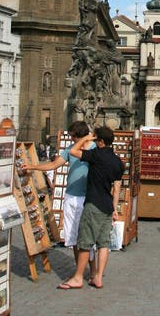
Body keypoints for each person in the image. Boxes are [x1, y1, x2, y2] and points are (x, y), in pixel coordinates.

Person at [22, 120, 97, 278]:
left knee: (87, 236)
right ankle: (79, 271)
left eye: (73, 137)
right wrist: (33, 167)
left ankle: (93, 271)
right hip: (71, 196)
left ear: (80, 136)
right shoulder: (70, 149)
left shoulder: (94, 149)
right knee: (72, 236)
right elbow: (54, 165)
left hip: (88, 197)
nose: (71, 139)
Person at [56, 126, 124, 290]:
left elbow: (73, 151)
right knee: (103, 244)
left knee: (85, 242)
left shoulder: (96, 155)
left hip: (93, 203)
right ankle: (98, 277)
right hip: (107, 205)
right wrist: (114, 208)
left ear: (100, 141)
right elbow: (116, 189)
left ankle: (78, 278)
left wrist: (86, 139)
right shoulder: (118, 162)